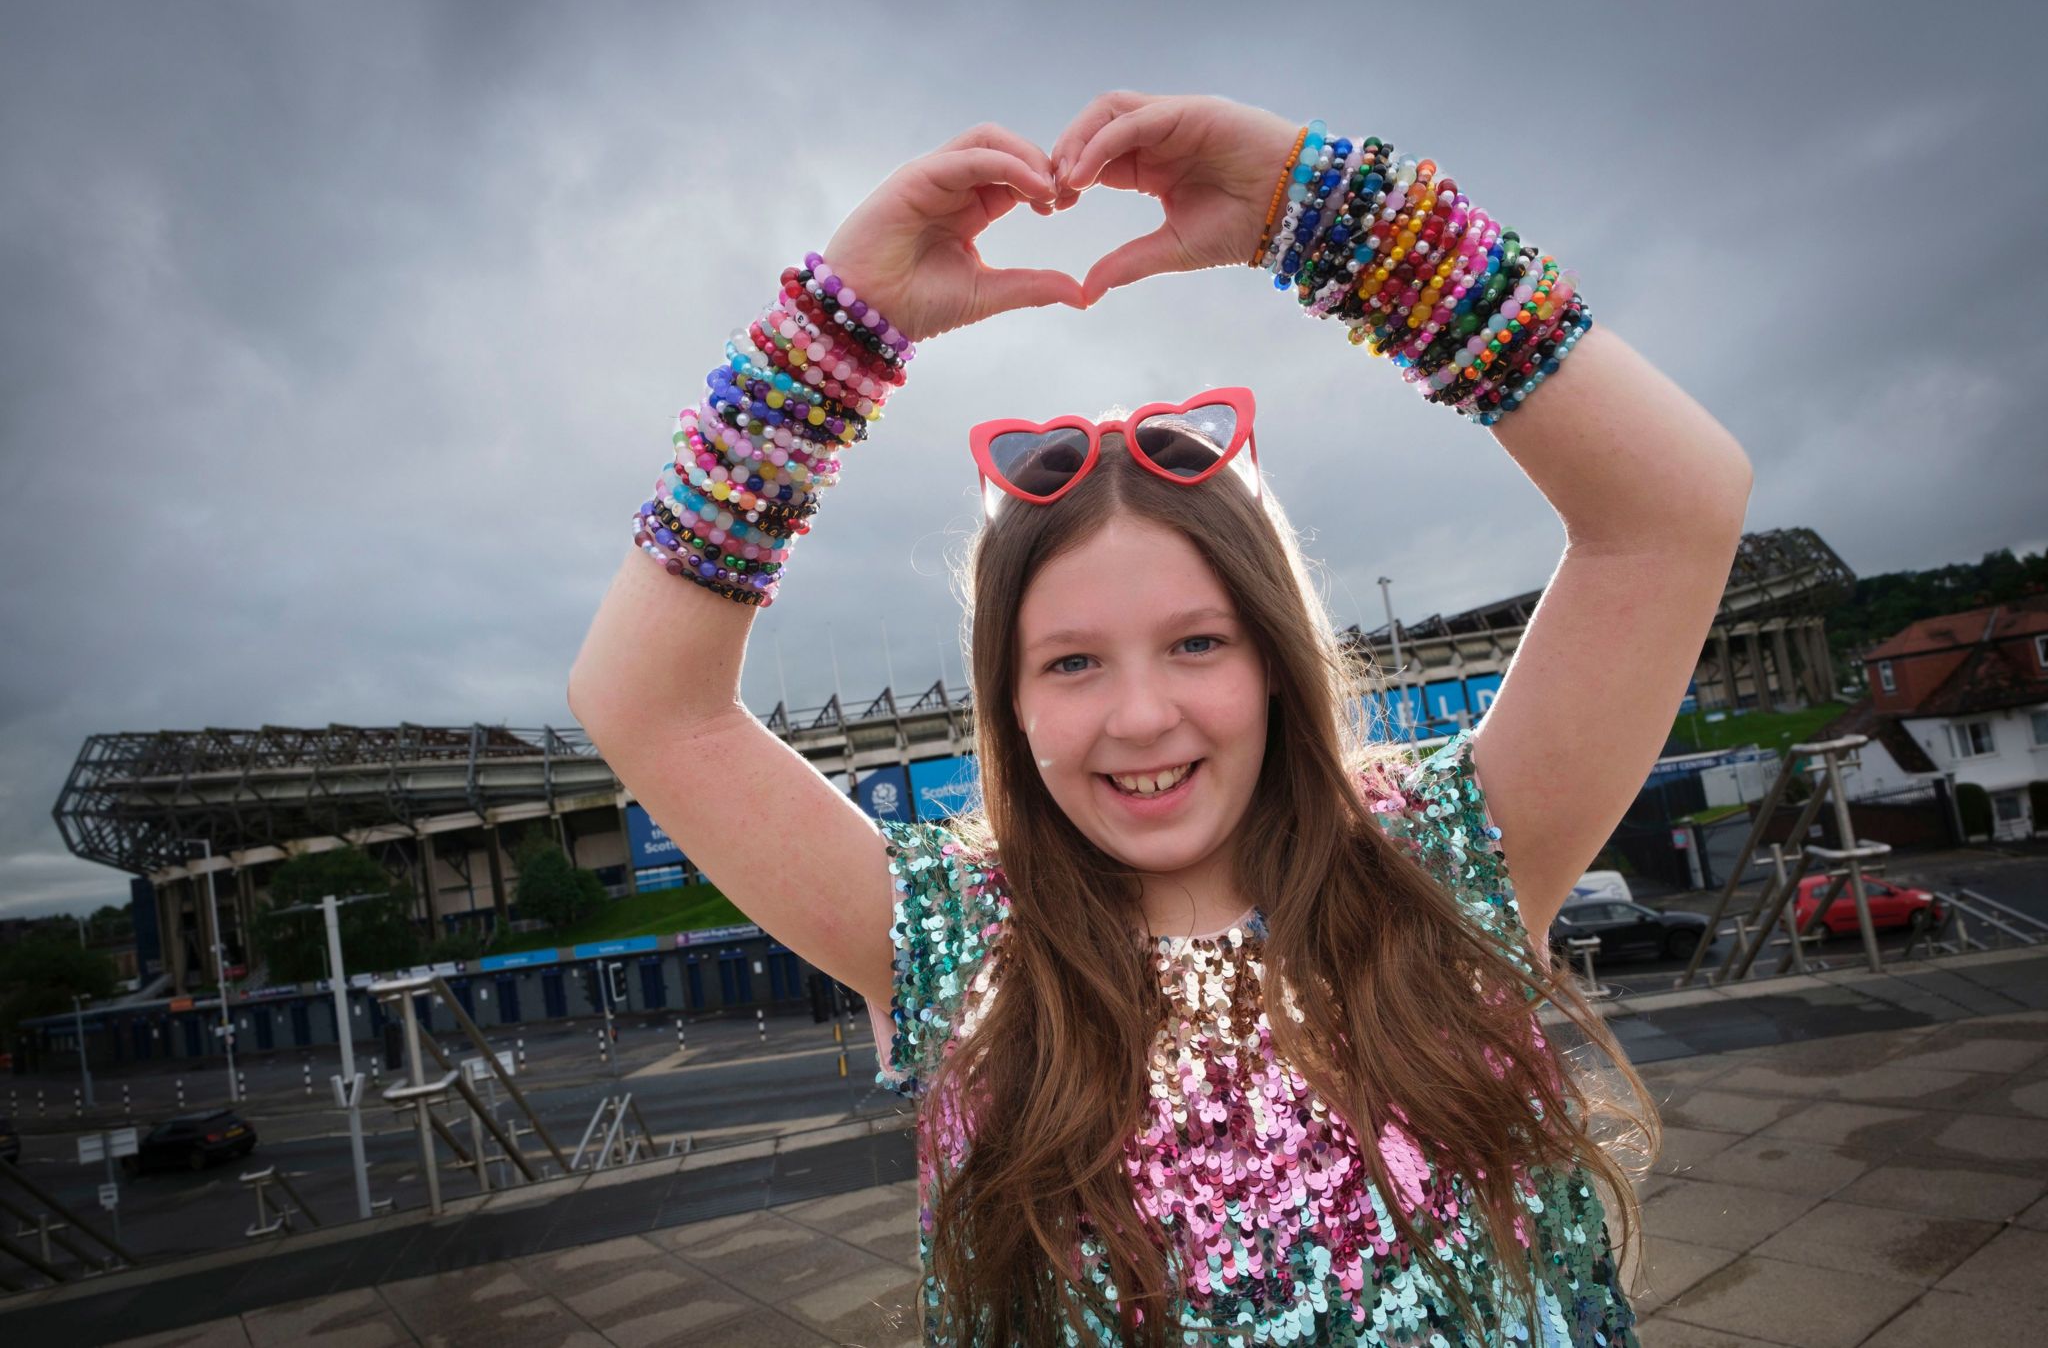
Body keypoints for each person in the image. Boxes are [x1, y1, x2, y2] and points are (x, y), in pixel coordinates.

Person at [569, 91, 1753, 1346]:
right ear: (1008, 705)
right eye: (1071, 663)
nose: (1141, 715)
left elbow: (1672, 508)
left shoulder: (1444, 857)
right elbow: (644, 703)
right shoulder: (949, 931)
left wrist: (1326, 215)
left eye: (1197, 643)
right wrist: (835, 333)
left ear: (1276, 658)